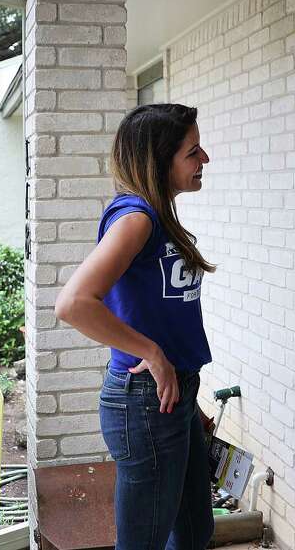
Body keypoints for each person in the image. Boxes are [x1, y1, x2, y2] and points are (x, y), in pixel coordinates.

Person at [55, 103, 216, 550]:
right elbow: (73, 303)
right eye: (193, 152)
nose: (204, 159)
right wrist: (153, 353)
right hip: (146, 404)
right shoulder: (136, 219)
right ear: (159, 160)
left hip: (173, 396)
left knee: (194, 534)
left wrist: (187, 396)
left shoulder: (159, 217)